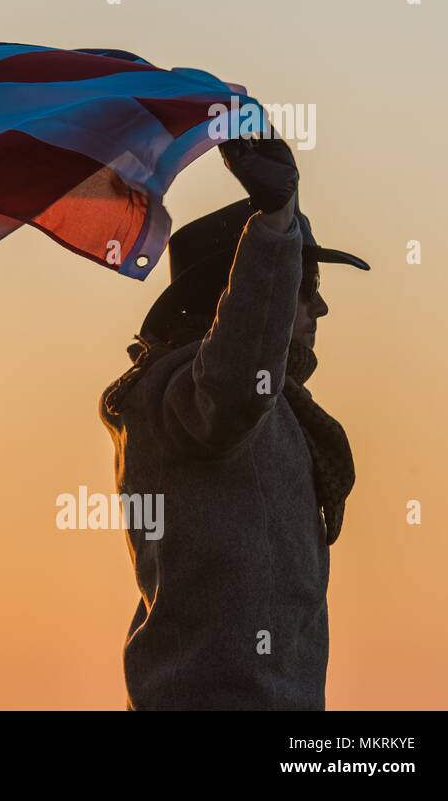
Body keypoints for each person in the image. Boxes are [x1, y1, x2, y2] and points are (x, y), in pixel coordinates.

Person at [99, 133, 369, 710]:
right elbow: (239, 375)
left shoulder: (272, 411)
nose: (319, 307)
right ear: (238, 296)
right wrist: (274, 226)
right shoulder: (191, 395)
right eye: (305, 285)